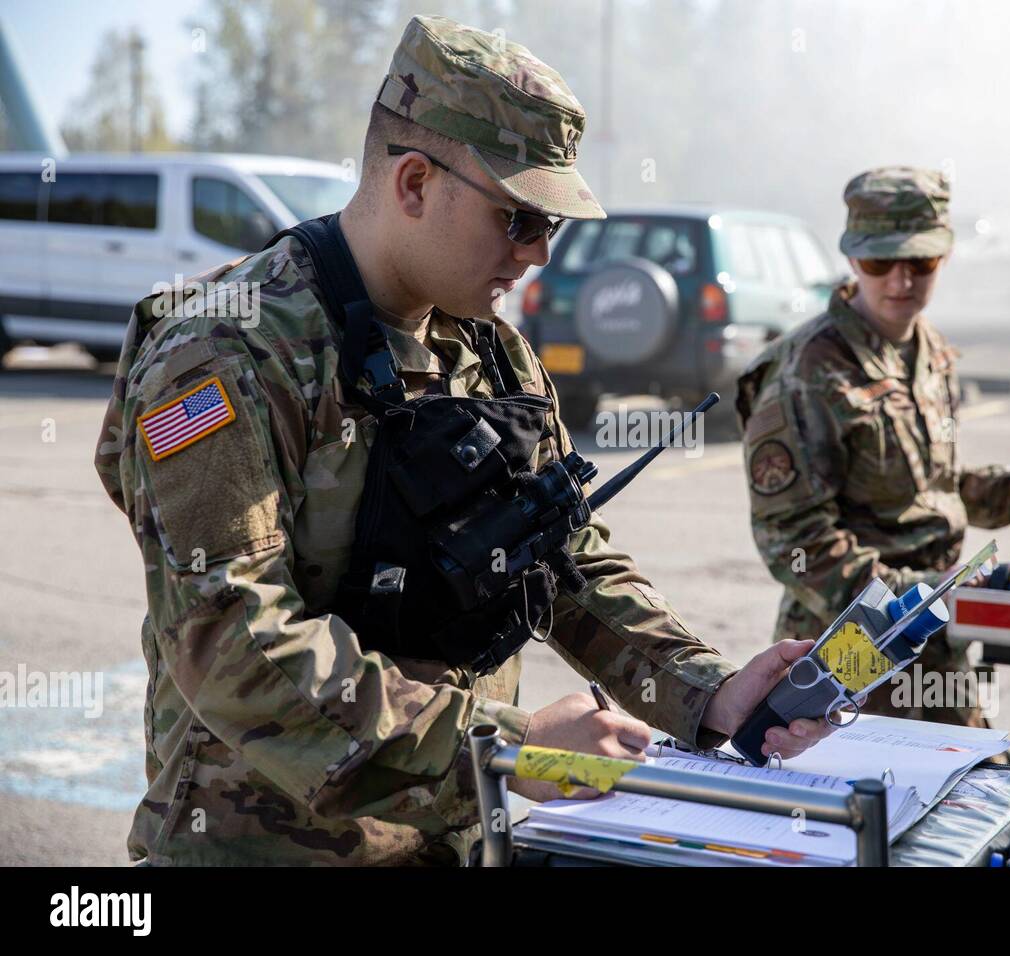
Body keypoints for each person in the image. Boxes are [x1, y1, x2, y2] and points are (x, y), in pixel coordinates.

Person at [94, 15, 831, 866]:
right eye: (519, 220)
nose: (540, 255)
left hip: (454, 835)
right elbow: (231, 641)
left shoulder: (492, 349)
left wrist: (706, 693)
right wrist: (510, 745)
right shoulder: (226, 353)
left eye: (554, 227)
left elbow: (561, 555)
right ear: (413, 182)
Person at [736, 167, 1010, 728]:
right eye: (880, 263)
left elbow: (935, 487)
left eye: (919, 262)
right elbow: (793, 541)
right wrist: (920, 599)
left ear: (944, 257)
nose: (901, 281)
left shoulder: (928, 350)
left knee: (968, 792)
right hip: (847, 650)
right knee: (856, 803)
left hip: (937, 644)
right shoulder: (806, 371)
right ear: (853, 260)